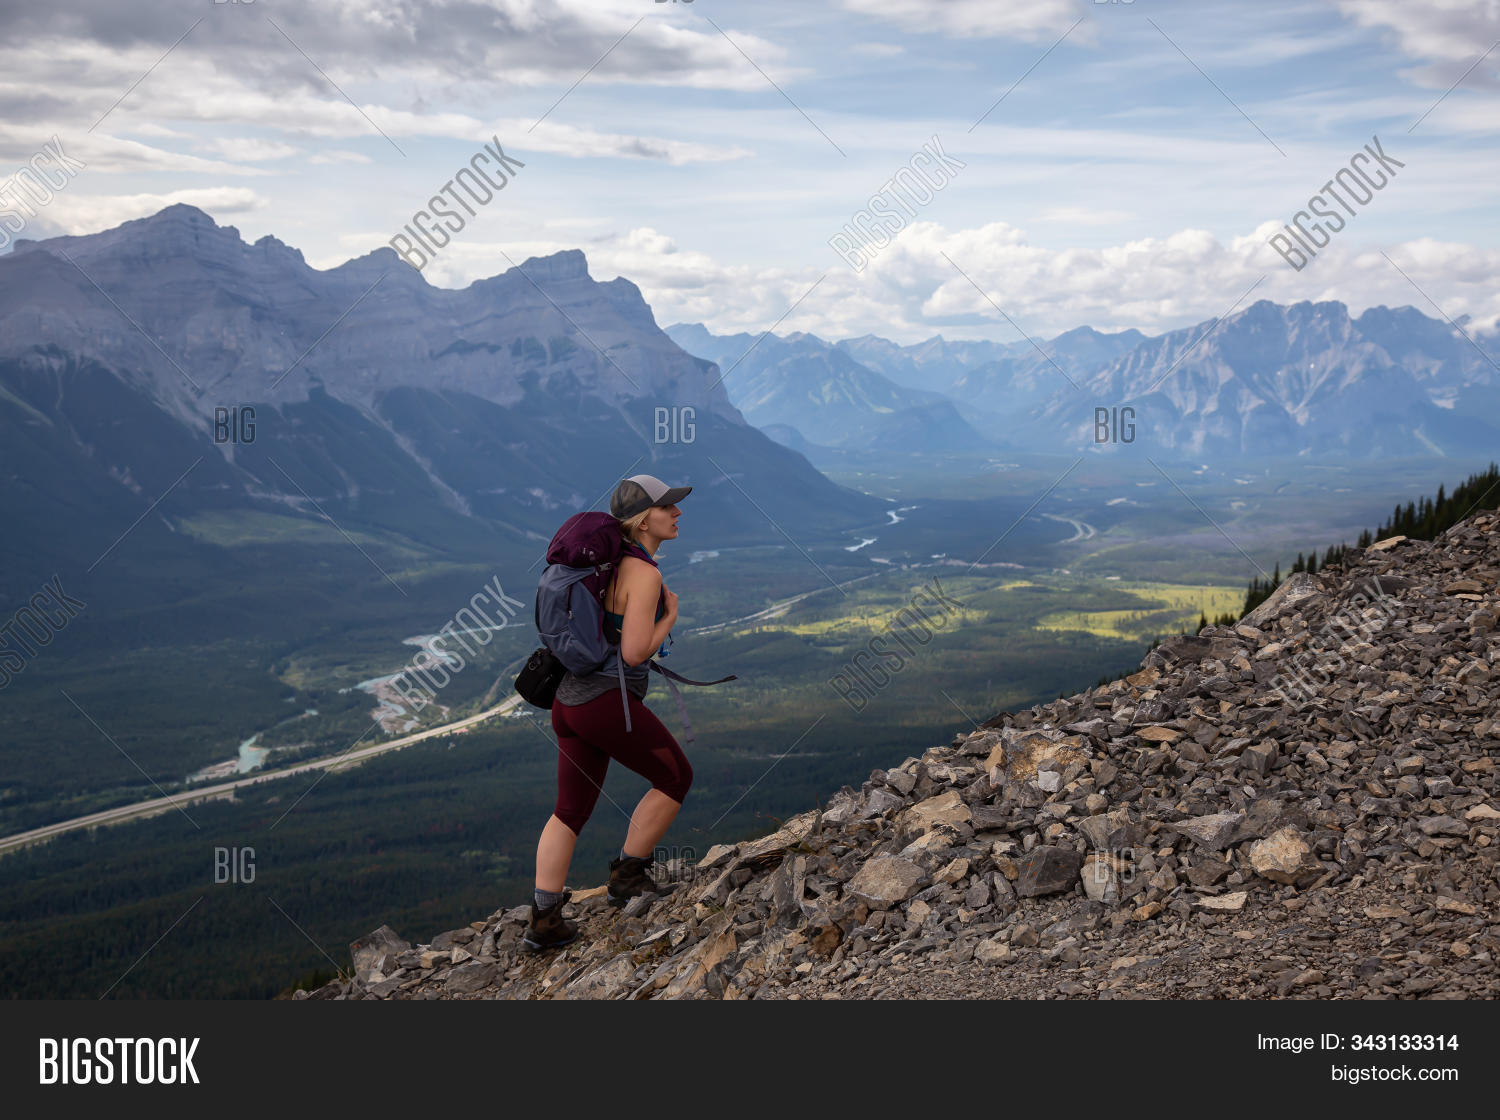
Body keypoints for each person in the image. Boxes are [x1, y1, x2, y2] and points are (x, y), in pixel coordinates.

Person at [524, 473, 695, 952]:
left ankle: (544, 919)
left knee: (569, 811)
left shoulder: (604, 565)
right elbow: (637, 652)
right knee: (676, 777)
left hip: (568, 702)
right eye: (668, 508)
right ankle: (628, 876)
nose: (678, 514)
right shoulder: (644, 574)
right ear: (644, 520)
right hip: (603, 705)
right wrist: (669, 619)